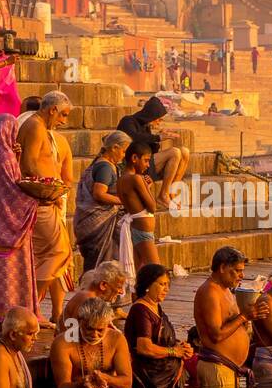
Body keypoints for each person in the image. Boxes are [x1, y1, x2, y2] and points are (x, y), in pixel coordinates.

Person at [19, 91, 73, 326]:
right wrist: (48, 187)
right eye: (63, 115)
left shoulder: (43, 128)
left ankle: (32, 308)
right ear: (52, 110)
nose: (64, 121)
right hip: (39, 199)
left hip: (47, 199)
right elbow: (28, 164)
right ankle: (31, 308)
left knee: (50, 255)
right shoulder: (35, 126)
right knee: (59, 251)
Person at [0, 113, 39, 330]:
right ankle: (13, 321)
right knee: (12, 275)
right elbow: (15, 191)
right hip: (12, 226)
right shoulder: (5, 158)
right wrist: (36, 198)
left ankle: (0, 321)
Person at [193, 247, 269, 388]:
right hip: (216, 367)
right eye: (237, 270)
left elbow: (234, 324)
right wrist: (244, 316)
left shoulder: (226, 290)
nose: (242, 275)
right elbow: (216, 335)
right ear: (222, 267)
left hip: (228, 368)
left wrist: (250, 317)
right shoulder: (210, 291)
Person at [50, 296, 133, 388]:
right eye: (89, 328)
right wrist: (82, 384)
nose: (94, 335)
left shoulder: (117, 340)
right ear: (79, 321)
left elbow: (127, 383)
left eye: (100, 330)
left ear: (108, 324)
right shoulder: (62, 343)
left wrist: (105, 379)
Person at [125, 264, 192, 388]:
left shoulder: (156, 307)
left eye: (168, 284)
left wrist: (182, 348)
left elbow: (160, 340)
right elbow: (144, 347)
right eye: (162, 284)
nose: (166, 289)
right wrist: (174, 351)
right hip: (152, 382)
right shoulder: (141, 310)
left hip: (167, 378)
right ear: (148, 285)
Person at [116, 96, 191, 209]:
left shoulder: (146, 127)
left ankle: (171, 193)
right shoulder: (128, 121)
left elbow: (150, 151)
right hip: (132, 165)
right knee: (175, 152)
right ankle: (163, 196)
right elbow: (135, 138)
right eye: (158, 119)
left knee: (185, 151)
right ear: (151, 116)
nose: (159, 122)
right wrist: (158, 137)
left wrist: (157, 140)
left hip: (146, 164)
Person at [73, 130, 131, 273]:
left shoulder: (105, 164)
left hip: (96, 223)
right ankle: (90, 292)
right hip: (97, 223)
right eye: (123, 151)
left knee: (97, 265)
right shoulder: (105, 167)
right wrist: (122, 201)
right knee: (97, 267)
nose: (124, 156)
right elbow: (99, 194)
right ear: (114, 148)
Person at [117, 142, 161, 271]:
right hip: (142, 232)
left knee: (137, 274)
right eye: (146, 161)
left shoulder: (120, 180)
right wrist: (147, 187)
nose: (148, 165)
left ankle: (135, 292)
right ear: (134, 158)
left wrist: (145, 187)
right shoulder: (136, 179)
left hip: (135, 228)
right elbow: (152, 207)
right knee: (156, 271)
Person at [62, 260, 128, 325]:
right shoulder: (90, 302)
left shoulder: (85, 295)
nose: (121, 292)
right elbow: (84, 334)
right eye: (119, 287)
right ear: (103, 285)